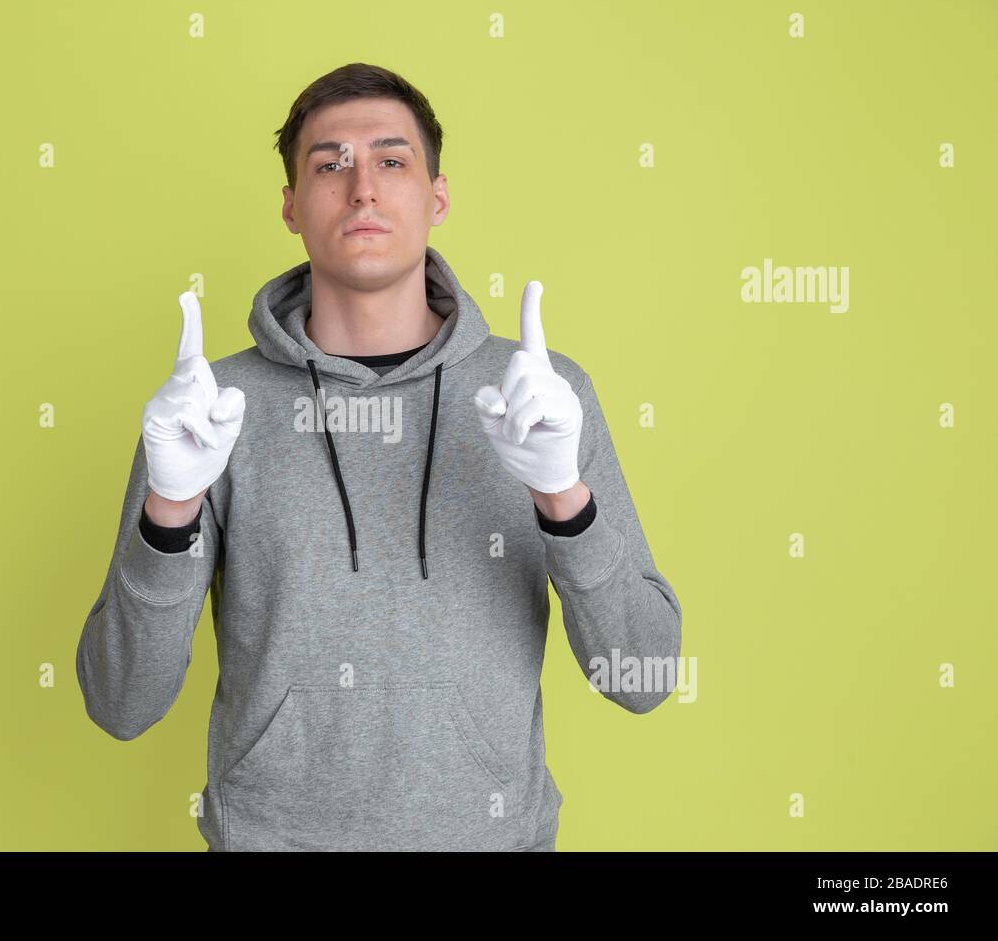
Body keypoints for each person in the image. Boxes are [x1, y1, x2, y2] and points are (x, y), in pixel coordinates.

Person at [76, 62, 682, 852]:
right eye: (329, 165)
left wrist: (564, 497)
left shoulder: (541, 396)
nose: (362, 188)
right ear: (292, 206)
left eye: (391, 161)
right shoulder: (209, 410)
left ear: (436, 198)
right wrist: (170, 512)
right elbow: (121, 704)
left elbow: (642, 678)